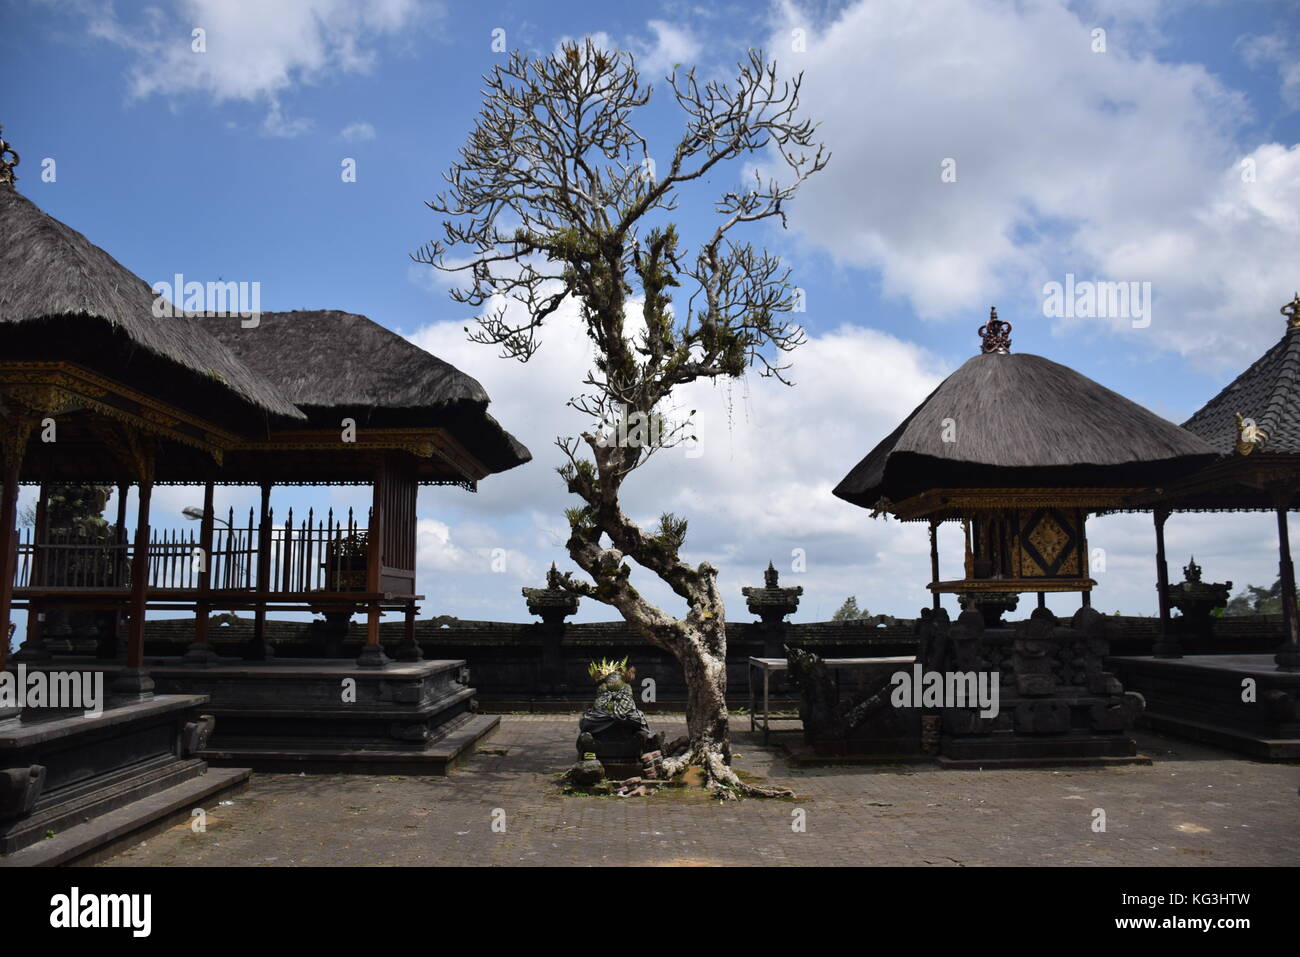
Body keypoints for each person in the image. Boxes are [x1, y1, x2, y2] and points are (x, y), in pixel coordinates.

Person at [577, 658, 661, 756]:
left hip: (616, 716)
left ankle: (642, 742)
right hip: (606, 715)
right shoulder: (604, 691)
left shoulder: (624, 690)